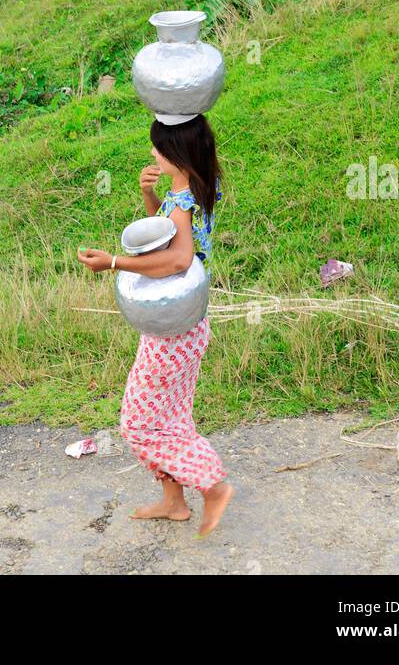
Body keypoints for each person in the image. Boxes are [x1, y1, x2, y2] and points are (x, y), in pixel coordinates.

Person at [78, 113, 233, 538]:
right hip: (186, 323)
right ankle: (173, 502)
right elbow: (170, 236)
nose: (152, 153)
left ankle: (212, 484)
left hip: (172, 332)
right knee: (171, 415)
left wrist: (114, 262)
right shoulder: (196, 185)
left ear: (178, 154)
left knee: (140, 423)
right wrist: (150, 195)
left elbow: (178, 259)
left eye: (158, 147)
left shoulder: (184, 200)